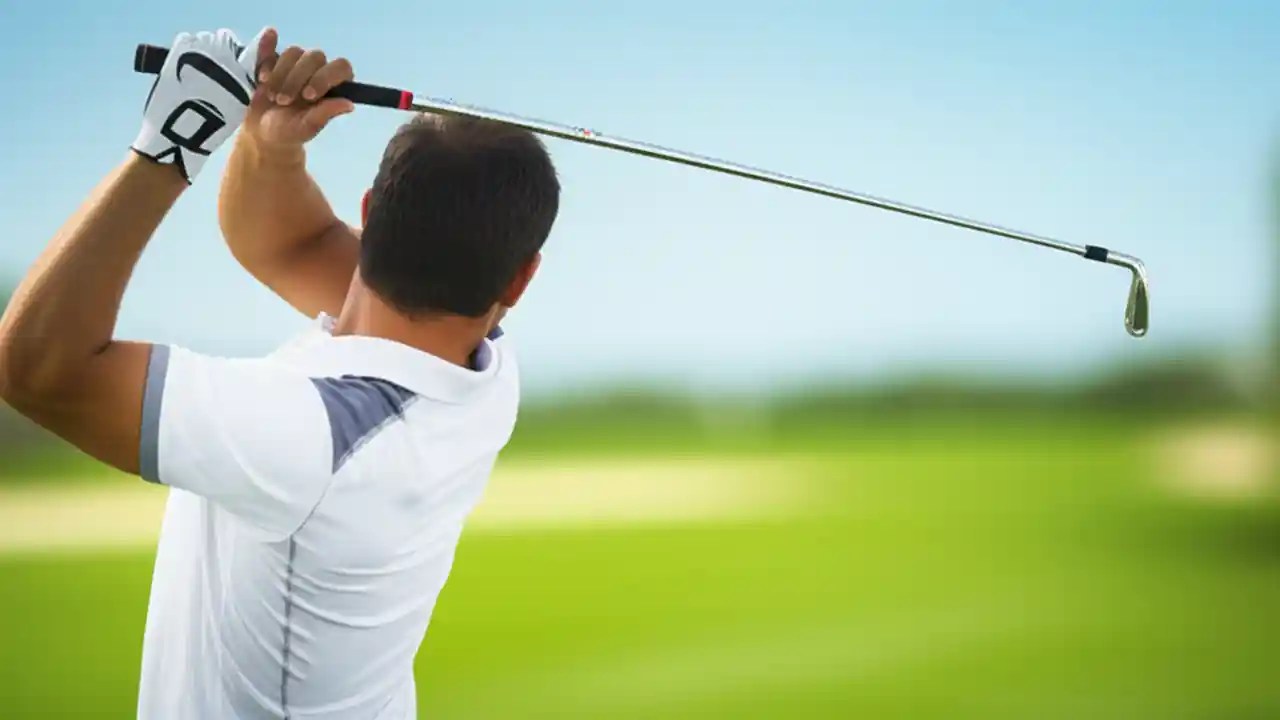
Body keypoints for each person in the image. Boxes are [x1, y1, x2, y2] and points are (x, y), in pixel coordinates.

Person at [0, 26, 559, 719]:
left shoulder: (309, 438)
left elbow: (39, 367)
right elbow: (282, 242)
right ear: (521, 279)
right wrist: (270, 146)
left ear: (369, 209)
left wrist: (168, 147)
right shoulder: (487, 373)